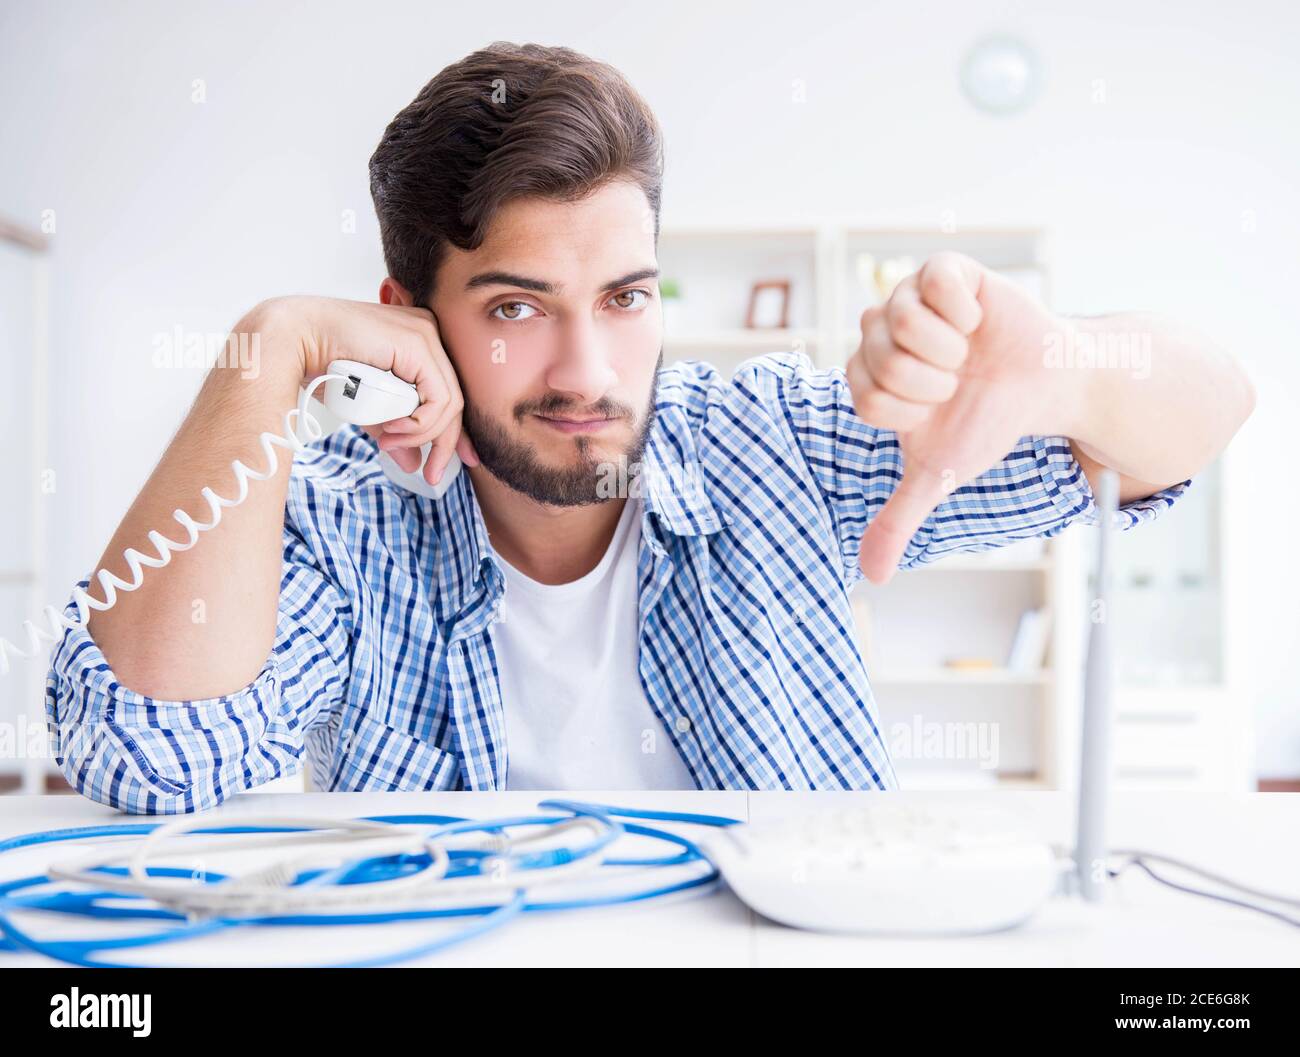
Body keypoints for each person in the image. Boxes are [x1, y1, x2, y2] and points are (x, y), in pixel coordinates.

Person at [45, 42, 1254, 814]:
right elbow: (149, 758)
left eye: (624, 298)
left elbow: (1197, 424)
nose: (589, 371)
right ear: (405, 322)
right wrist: (269, 350)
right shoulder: (335, 526)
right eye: (517, 306)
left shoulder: (773, 440)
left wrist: (1077, 363)